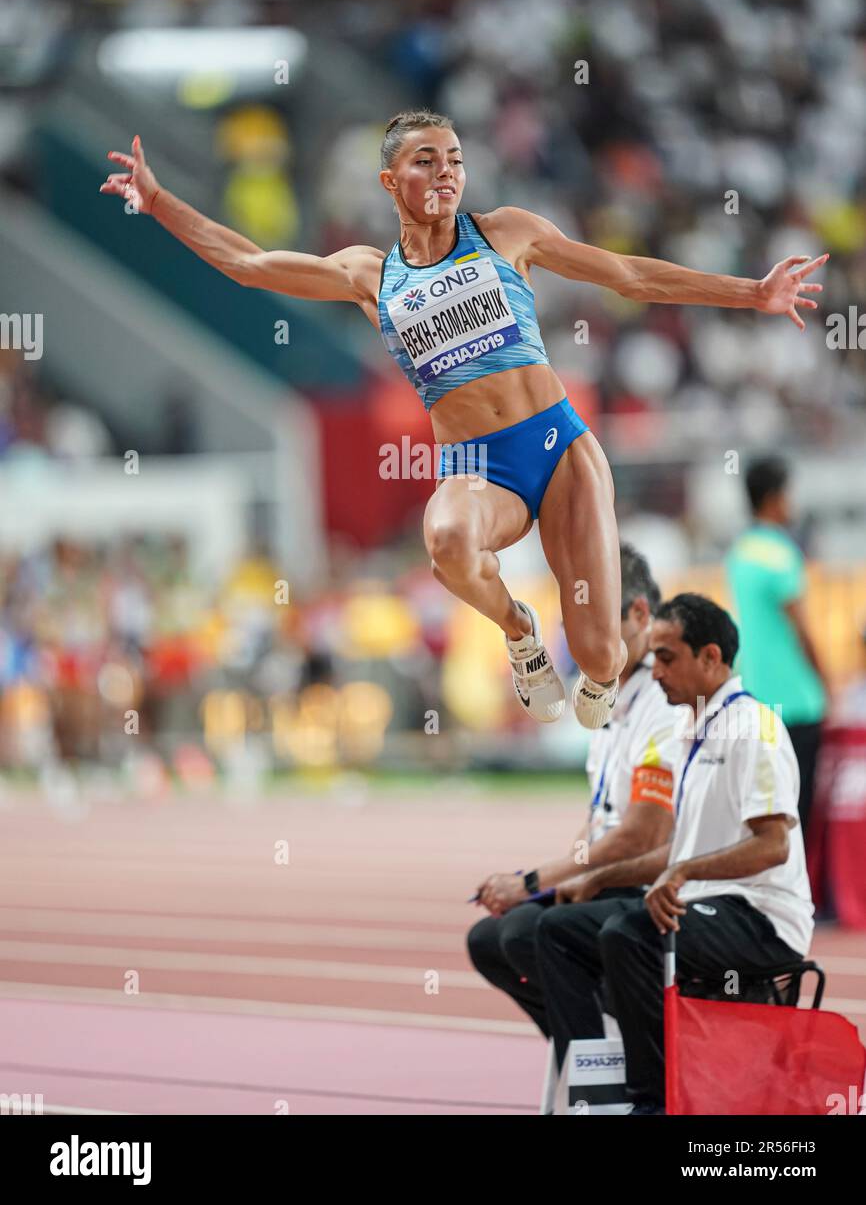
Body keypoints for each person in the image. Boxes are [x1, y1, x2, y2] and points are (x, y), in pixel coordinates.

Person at [100, 113, 827, 730]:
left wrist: (752, 293)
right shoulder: (369, 275)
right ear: (390, 183)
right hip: (480, 469)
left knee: (602, 660)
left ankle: (597, 668)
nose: (446, 173)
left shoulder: (508, 233)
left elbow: (629, 276)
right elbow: (249, 263)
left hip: (560, 448)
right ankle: (518, 631)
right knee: (445, 538)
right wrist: (159, 201)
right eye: (426, 161)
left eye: (455, 160)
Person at [535, 593, 814, 1114]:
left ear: (710, 657)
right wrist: (599, 878)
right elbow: (678, 848)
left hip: (762, 918)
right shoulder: (693, 729)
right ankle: (596, 1093)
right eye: (655, 658)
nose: (656, 671)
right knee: (558, 929)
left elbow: (772, 846)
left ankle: (655, 1099)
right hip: (707, 903)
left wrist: (684, 871)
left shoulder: (753, 727)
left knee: (629, 934)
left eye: (667, 658)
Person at [466, 544, 683, 1037]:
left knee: (528, 931)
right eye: (570, 626)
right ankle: (589, 1051)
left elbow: (640, 834)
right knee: (488, 940)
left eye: (590, 623)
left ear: (638, 613)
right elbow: (600, 813)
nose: (578, 641)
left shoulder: (663, 700)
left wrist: (534, 881)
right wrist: (562, 875)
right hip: (606, 874)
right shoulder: (606, 694)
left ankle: (613, 1054)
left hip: (646, 880)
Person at [726, 456, 829, 838]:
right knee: (799, 815)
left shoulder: (739, 552)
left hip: (758, 701)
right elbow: (803, 631)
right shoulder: (783, 554)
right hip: (798, 703)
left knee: (765, 812)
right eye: (788, 494)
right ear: (773, 498)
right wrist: (826, 684)